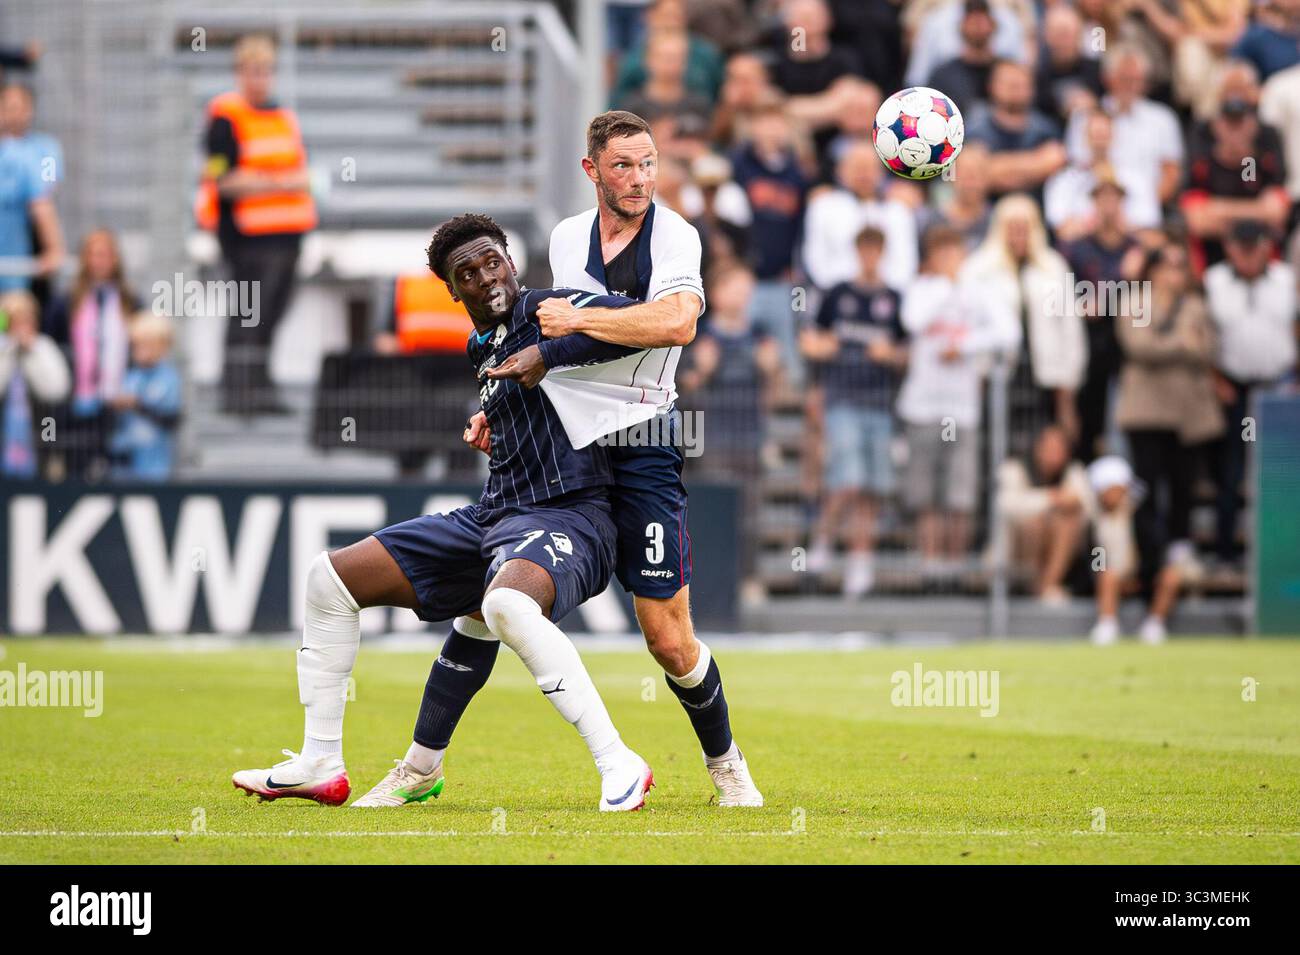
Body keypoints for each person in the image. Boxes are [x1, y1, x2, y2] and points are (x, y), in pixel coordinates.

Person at [234, 214, 655, 812]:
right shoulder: (478, 344)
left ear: (511, 258)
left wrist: (549, 348)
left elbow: (643, 323)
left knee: (502, 606)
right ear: (452, 291)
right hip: (496, 514)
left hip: (570, 515)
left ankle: (619, 763)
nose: (487, 278)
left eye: (492, 261)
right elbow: (539, 405)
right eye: (468, 273)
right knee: (328, 580)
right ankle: (322, 761)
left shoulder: (550, 306)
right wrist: (498, 422)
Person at [408, 112, 763, 807]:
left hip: (642, 443)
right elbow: (559, 353)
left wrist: (580, 319)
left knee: (666, 637)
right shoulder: (570, 236)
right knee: (492, 596)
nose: (640, 178)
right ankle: (417, 766)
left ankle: (727, 766)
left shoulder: (676, 236)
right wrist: (497, 409)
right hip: (564, 443)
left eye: (650, 163)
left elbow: (676, 322)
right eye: (624, 165)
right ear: (591, 170)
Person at [194, 33, 315, 416]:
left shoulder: (283, 116)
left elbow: (301, 173)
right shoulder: (225, 118)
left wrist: (270, 180)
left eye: (265, 71)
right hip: (248, 238)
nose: (259, 79)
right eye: (251, 71)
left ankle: (261, 388)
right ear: (239, 73)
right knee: (249, 313)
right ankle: (238, 393)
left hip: (289, 233)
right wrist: (277, 181)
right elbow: (223, 179)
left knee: (273, 314)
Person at [1114, 239, 1225, 643]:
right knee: (1145, 497)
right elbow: (1139, 346)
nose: (1172, 275)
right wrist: (1181, 344)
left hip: (1187, 416)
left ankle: (1170, 587)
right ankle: (1148, 576)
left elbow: (1209, 348)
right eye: (1166, 266)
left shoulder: (1196, 306)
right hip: (1145, 415)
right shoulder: (1135, 301)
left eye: (1180, 267)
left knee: (1183, 496)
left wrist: (1182, 346)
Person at [897, 225, 1020, 577]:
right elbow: (913, 321)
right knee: (925, 494)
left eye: (955, 253)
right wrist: (946, 286)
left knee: (959, 493)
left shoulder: (979, 292)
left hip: (962, 410)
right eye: (942, 253)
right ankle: (930, 564)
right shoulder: (921, 291)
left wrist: (964, 345)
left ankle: (954, 567)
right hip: (922, 406)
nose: (950, 260)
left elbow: (1008, 332)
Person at [802, 225, 906, 597]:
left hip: (879, 404)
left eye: (876, 249)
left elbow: (906, 353)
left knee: (871, 490)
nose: (870, 256)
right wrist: (824, 348)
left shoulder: (894, 298)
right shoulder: (837, 294)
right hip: (841, 399)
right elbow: (810, 341)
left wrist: (890, 355)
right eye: (865, 248)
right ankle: (824, 541)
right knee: (847, 480)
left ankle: (861, 561)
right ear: (857, 251)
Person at [1203, 219, 1298, 565]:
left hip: (1278, 387)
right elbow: (1202, 334)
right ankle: (1226, 551)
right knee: (1231, 471)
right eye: (1240, 247)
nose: (1247, 255)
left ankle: (1278, 552)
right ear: (1229, 248)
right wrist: (1215, 379)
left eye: (1253, 246)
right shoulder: (1214, 282)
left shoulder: (1286, 280)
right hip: (1232, 387)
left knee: (1280, 470)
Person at [1057, 171, 1142, 462]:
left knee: (1126, 419)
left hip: (1128, 346)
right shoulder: (1078, 248)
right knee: (1089, 416)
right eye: (1101, 197)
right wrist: (1118, 281)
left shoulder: (1136, 248)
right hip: (1090, 345)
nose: (1108, 204)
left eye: (1114, 197)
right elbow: (1076, 300)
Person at [42, 229, 138, 479]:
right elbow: (50, 345)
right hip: (75, 398)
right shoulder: (65, 301)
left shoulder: (129, 301)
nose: (100, 261)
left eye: (105, 255)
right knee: (75, 465)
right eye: (94, 255)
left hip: (116, 401)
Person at [1085, 454, 1182, 645]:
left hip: (1142, 577)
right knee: (1108, 575)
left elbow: (1155, 552)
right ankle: (1107, 625)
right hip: (1110, 579)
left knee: (1172, 576)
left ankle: (1154, 625)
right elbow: (1094, 560)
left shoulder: (1142, 516)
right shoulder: (1095, 521)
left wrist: (1137, 576)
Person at [996, 424, 1090, 603]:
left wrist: (1069, 504)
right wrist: (1051, 498)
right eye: (1049, 448)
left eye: (1059, 449)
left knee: (1067, 521)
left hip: (1060, 546)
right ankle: (1035, 585)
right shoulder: (1014, 468)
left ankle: (1046, 585)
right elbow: (1006, 506)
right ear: (1037, 448)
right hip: (1018, 547)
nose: (1054, 454)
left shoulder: (1074, 471)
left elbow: (1086, 507)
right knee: (1035, 523)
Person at [0, 288, 68, 478]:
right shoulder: (2, 348)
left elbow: (56, 390)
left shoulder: (44, 346)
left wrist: (31, 353)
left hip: (39, 433)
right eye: (14, 320)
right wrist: (8, 352)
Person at [108, 312, 182, 481]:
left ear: (162, 346)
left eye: (147, 344)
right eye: (137, 345)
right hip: (124, 465)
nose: (140, 350)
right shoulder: (130, 376)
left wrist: (137, 404)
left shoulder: (169, 378)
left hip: (155, 466)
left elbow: (171, 418)